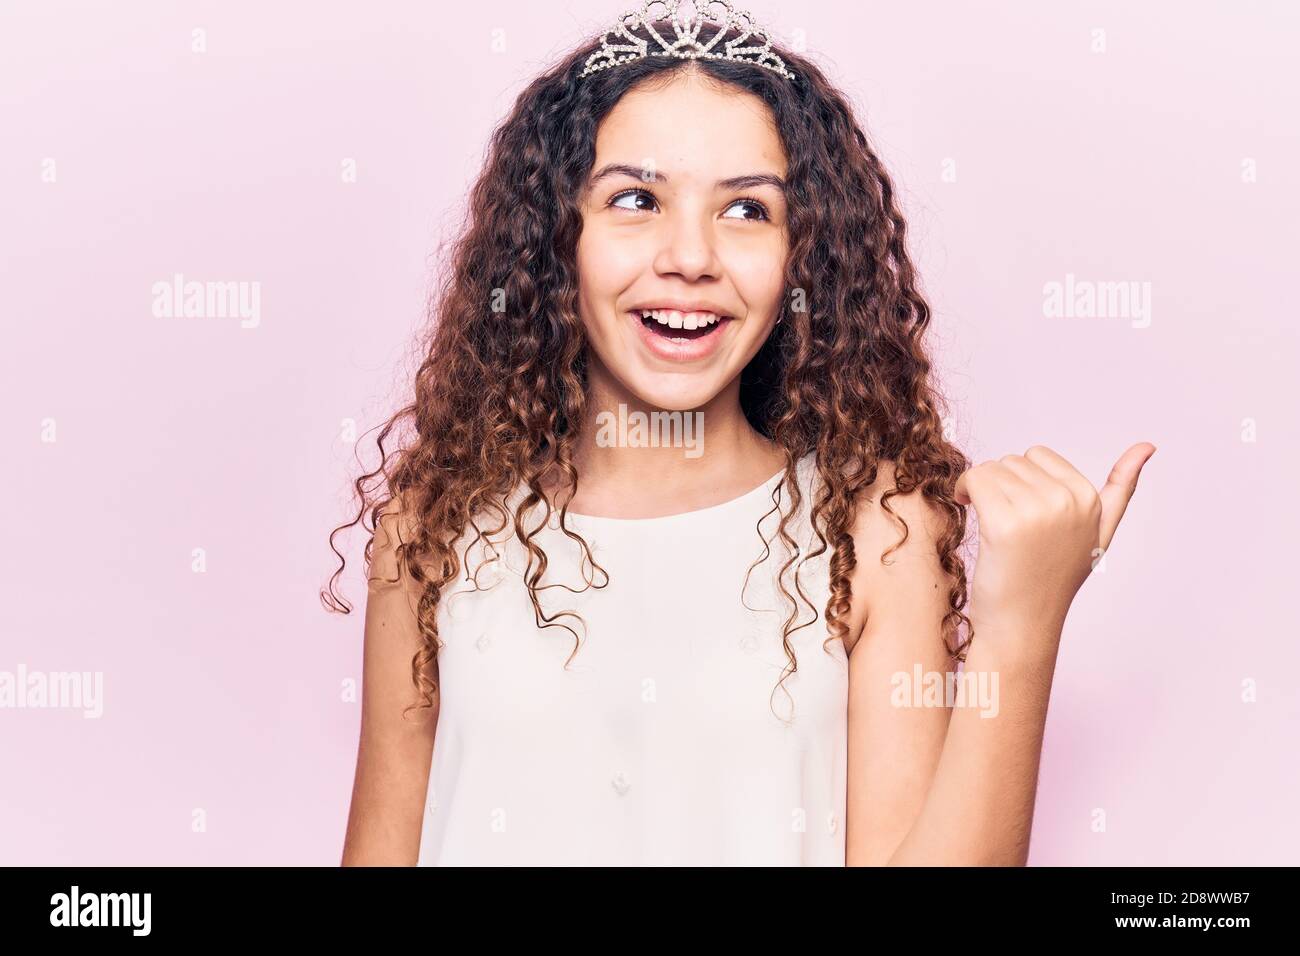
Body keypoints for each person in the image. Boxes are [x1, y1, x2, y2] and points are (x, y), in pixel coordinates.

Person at [328, 0, 1155, 866]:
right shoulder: (435, 531)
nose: (691, 256)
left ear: (804, 257)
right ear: (554, 240)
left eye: (748, 211)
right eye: (636, 199)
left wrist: (1021, 627)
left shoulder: (875, 534)